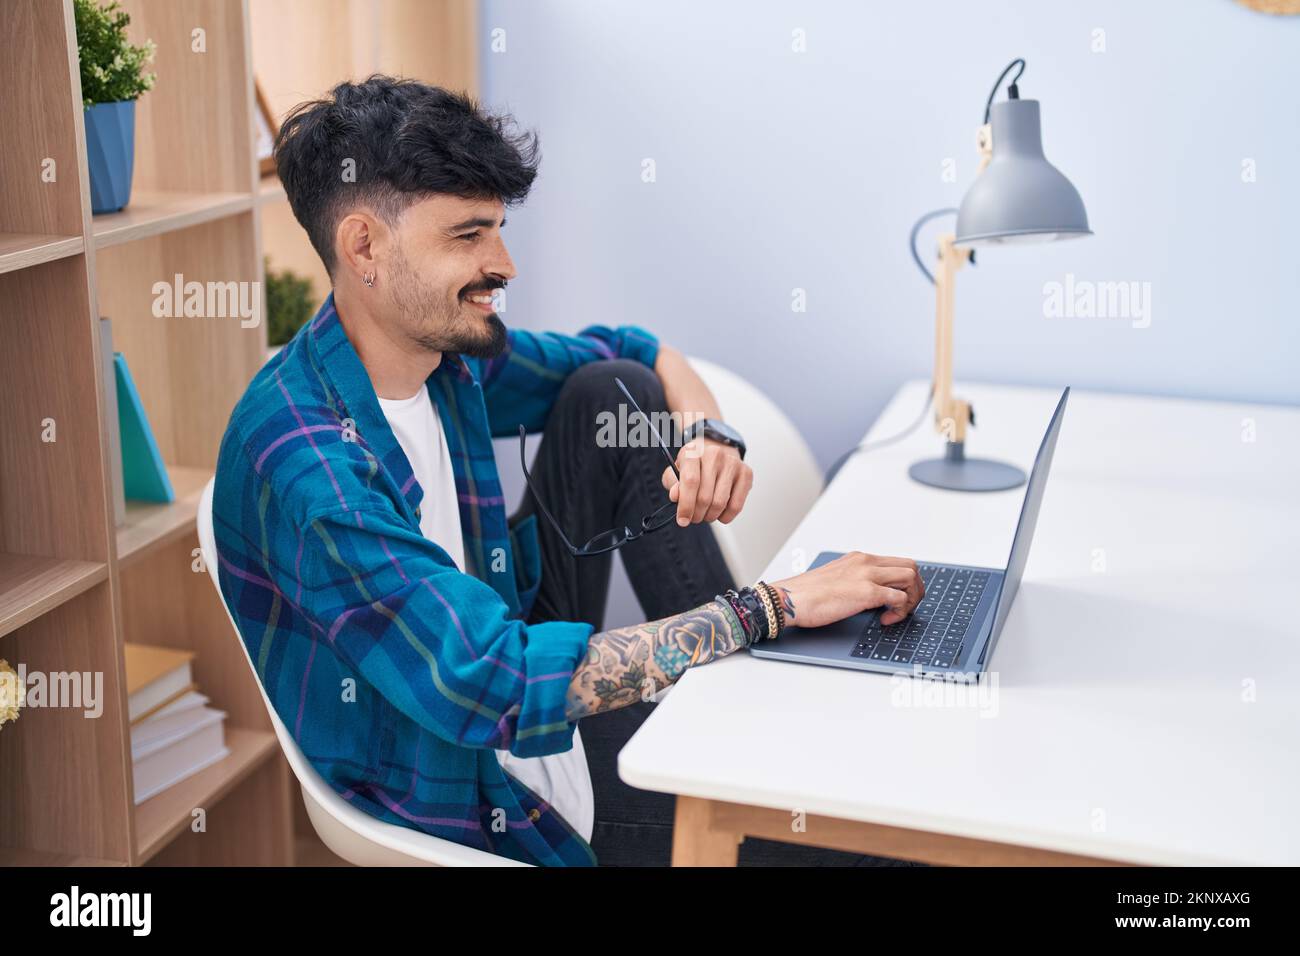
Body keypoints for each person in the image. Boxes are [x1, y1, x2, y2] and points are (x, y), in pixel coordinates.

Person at [213, 75, 925, 866]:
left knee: (605, 394)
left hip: (507, 654)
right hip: (472, 770)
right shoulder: (310, 463)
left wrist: (707, 435)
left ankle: (752, 701)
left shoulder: (443, 356)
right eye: (468, 235)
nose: (504, 263)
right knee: (859, 839)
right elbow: (498, 682)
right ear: (364, 248)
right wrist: (773, 606)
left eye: (499, 230)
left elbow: (632, 351)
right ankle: (755, 708)